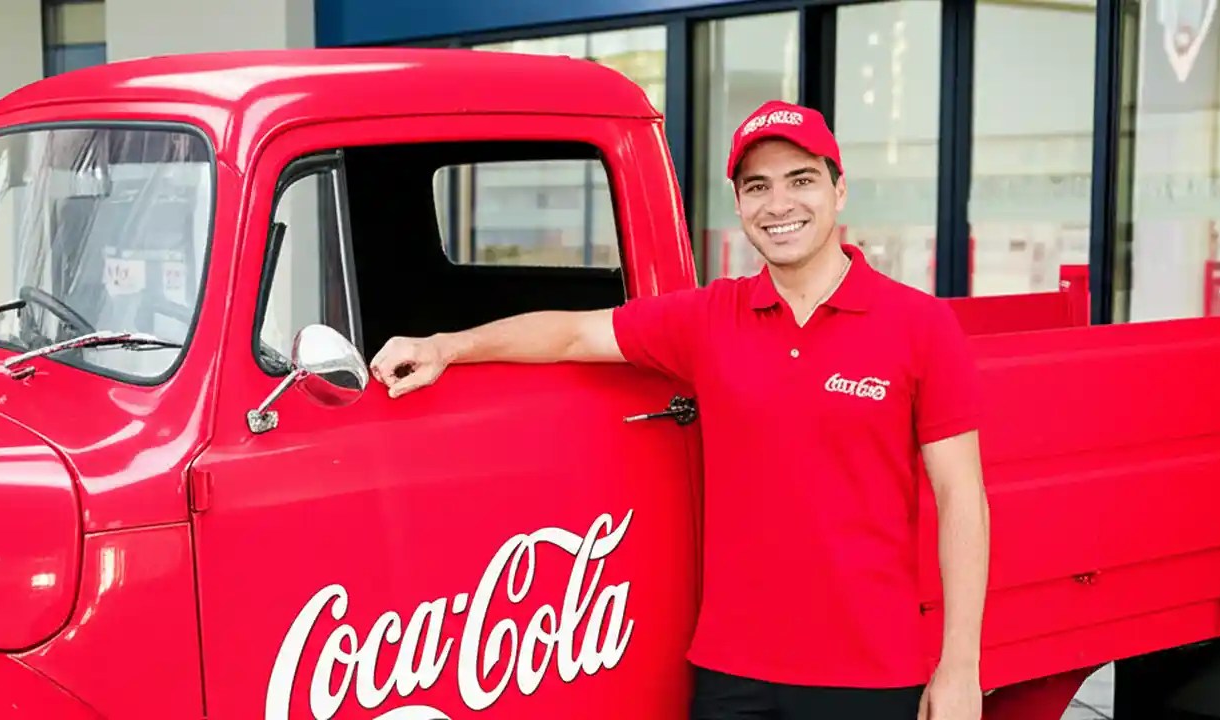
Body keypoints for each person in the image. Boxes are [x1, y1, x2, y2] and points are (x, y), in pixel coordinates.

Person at [369, 100, 989, 720]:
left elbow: (962, 497)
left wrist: (960, 666)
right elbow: (572, 335)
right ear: (740, 205)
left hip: (870, 677)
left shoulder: (919, 326)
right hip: (732, 673)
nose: (780, 205)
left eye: (801, 180)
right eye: (758, 187)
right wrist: (448, 346)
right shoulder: (710, 319)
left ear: (839, 189)